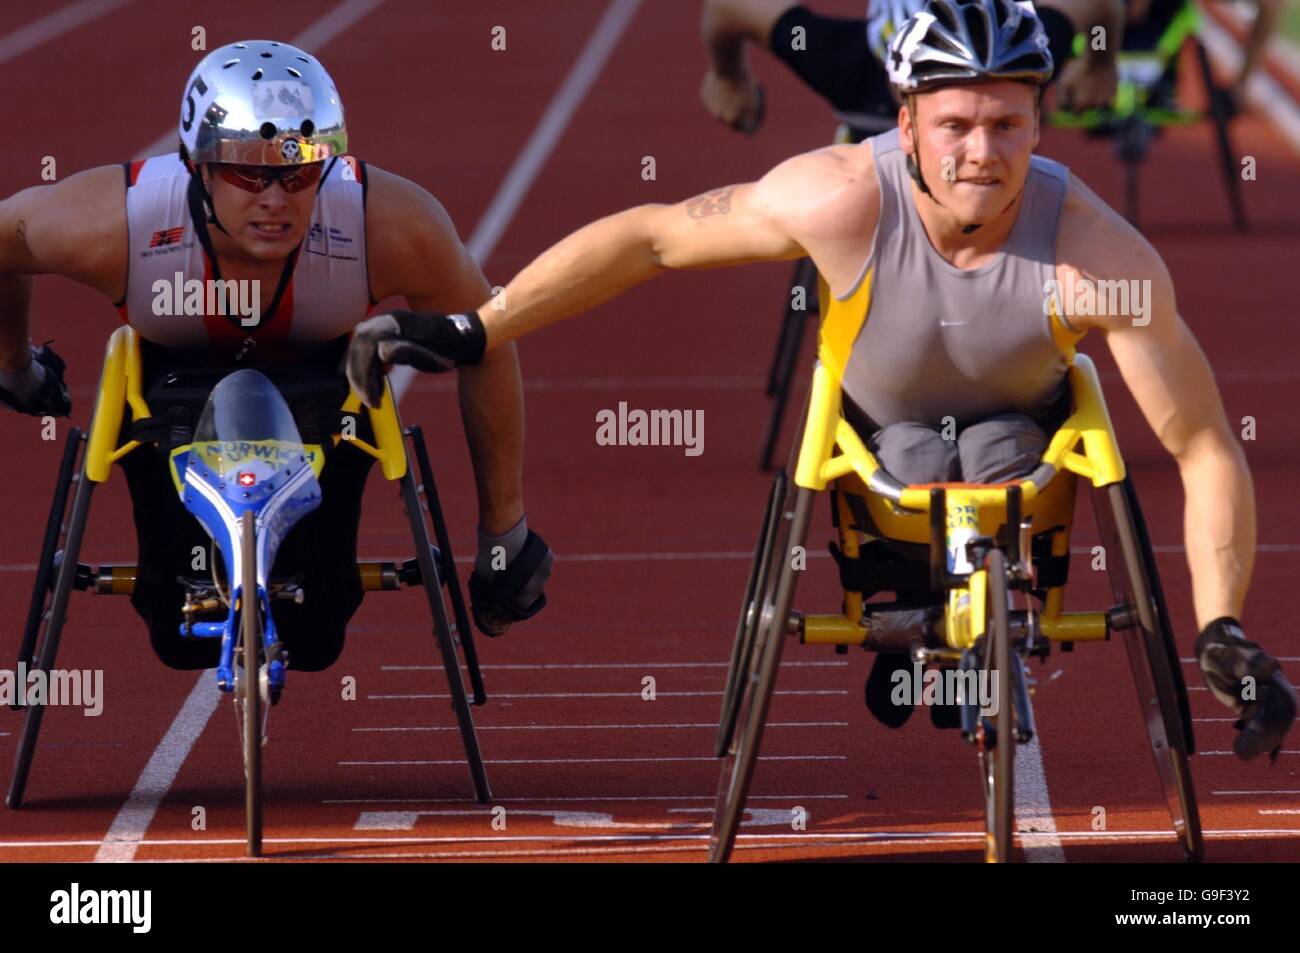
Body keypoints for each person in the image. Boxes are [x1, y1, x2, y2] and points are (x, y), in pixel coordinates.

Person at [347, 0, 1294, 761]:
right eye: (956, 123)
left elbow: (1202, 442)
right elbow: (655, 237)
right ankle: (912, 617)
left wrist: (1220, 627)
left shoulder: (1099, 256)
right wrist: (480, 323)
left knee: (1004, 448)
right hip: (870, 456)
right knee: (918, 453)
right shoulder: (842, 197)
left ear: (1043, 121)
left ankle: (948, 632)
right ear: (907, 117)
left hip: (1027, 462)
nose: (982, 154)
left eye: (1009, 124)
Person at [0, 40, 552, 672]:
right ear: (197, 167)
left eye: (297, 174)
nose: (275, 199)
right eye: (247, 173)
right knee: (177, 636)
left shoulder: (389, 224)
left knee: (316, 635)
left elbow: (483, 336)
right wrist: (16, 368)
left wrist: (503, 536)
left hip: (326, 400)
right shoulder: (110, 224)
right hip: (166, 402)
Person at [697, 0, 1126, 135]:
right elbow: (729, 8)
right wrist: (729, 76)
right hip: (868, 108)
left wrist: (1100, 63)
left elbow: (1099, 7)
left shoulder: (1029, 49)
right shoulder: (842, 66)